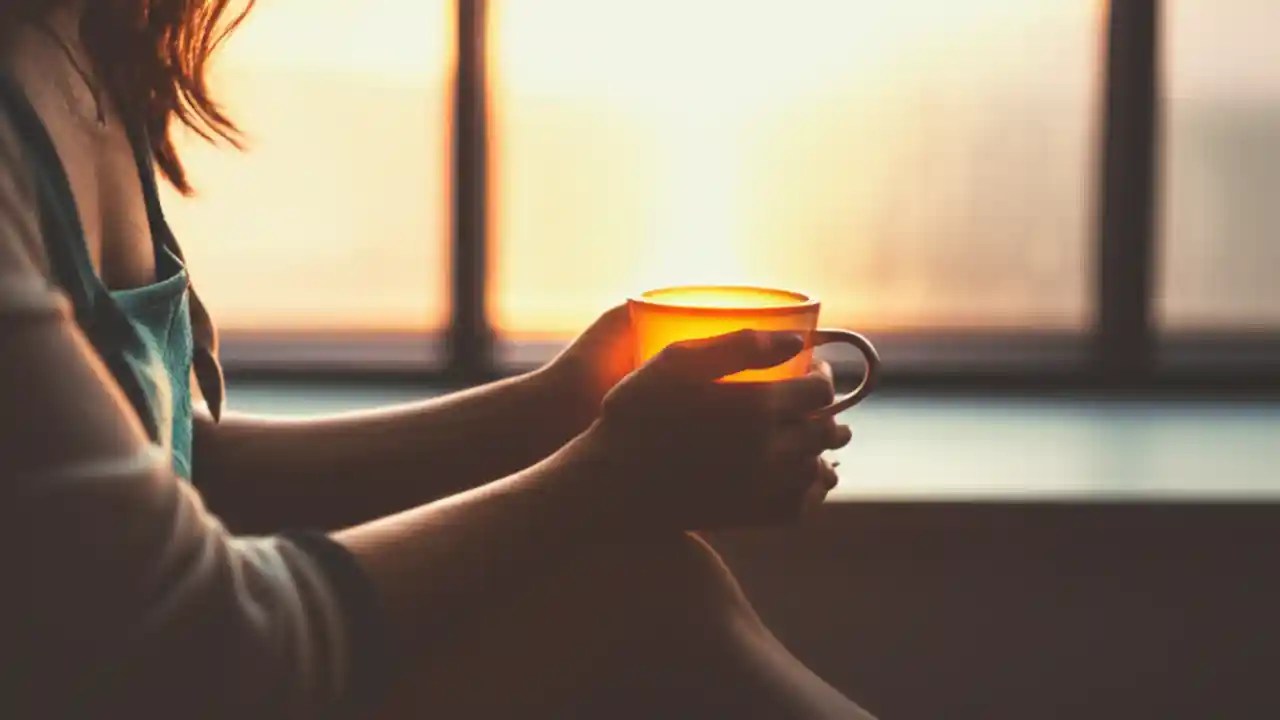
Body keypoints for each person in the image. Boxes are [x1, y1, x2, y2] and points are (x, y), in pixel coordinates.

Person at [0, 2, 874, 717]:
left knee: (654, 590)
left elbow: (183, 472)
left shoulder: (95, 37)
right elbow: (203, 644)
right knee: (644, 610)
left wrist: (558, 408)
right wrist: (599, 479)